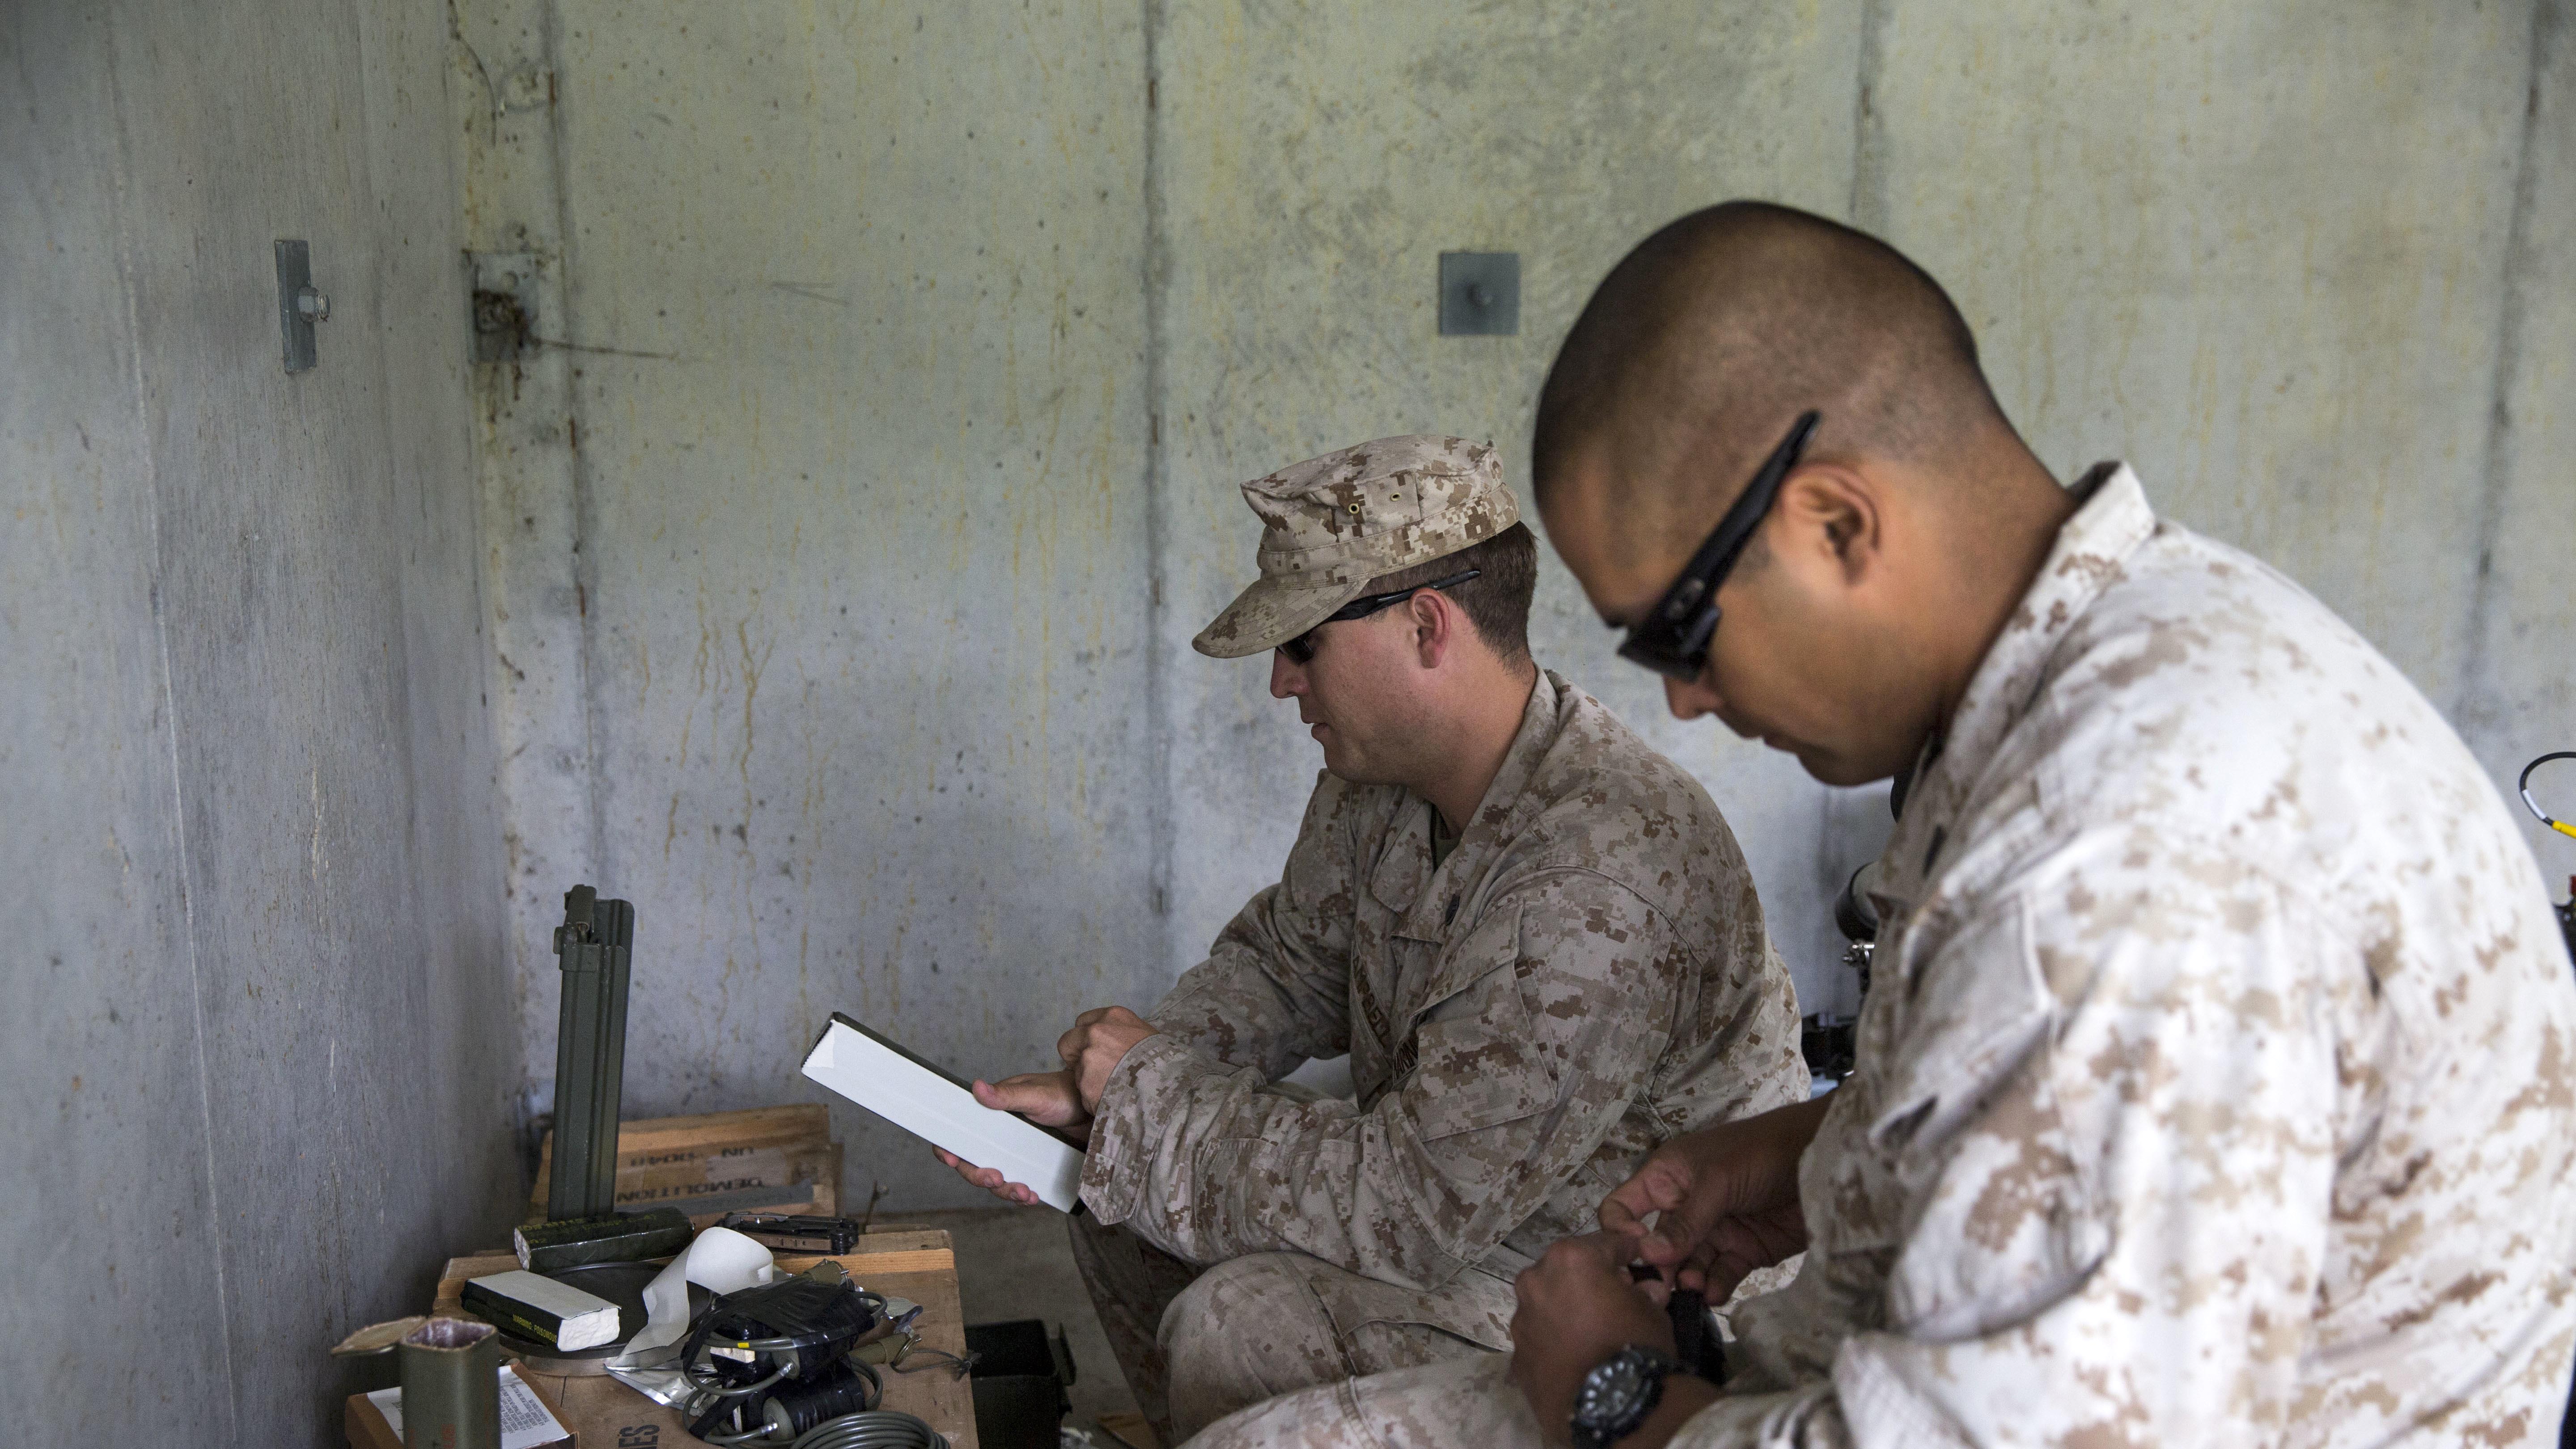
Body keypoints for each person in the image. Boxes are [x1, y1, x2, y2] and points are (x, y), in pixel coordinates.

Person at [1191, 203, 2576, 1448]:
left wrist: (1616, 1399)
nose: (1683, 701)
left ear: (1838, 522)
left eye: (1683, 631)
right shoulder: (2128, 660)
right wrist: (1820, 1153)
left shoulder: (2112, 862)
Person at [936, 435, 1808, 1444]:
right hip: (1474, 1229)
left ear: (1426, 626)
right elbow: (1289, 965)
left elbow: (1418, 1204)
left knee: (1239, 1324)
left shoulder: (1598, 874)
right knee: (1115, 1189)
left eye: (1303, 644)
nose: (1281, 683)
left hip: (1621, 1302)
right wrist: (1110, 1091)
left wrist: (1151, 1101)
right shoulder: (1384, 780)